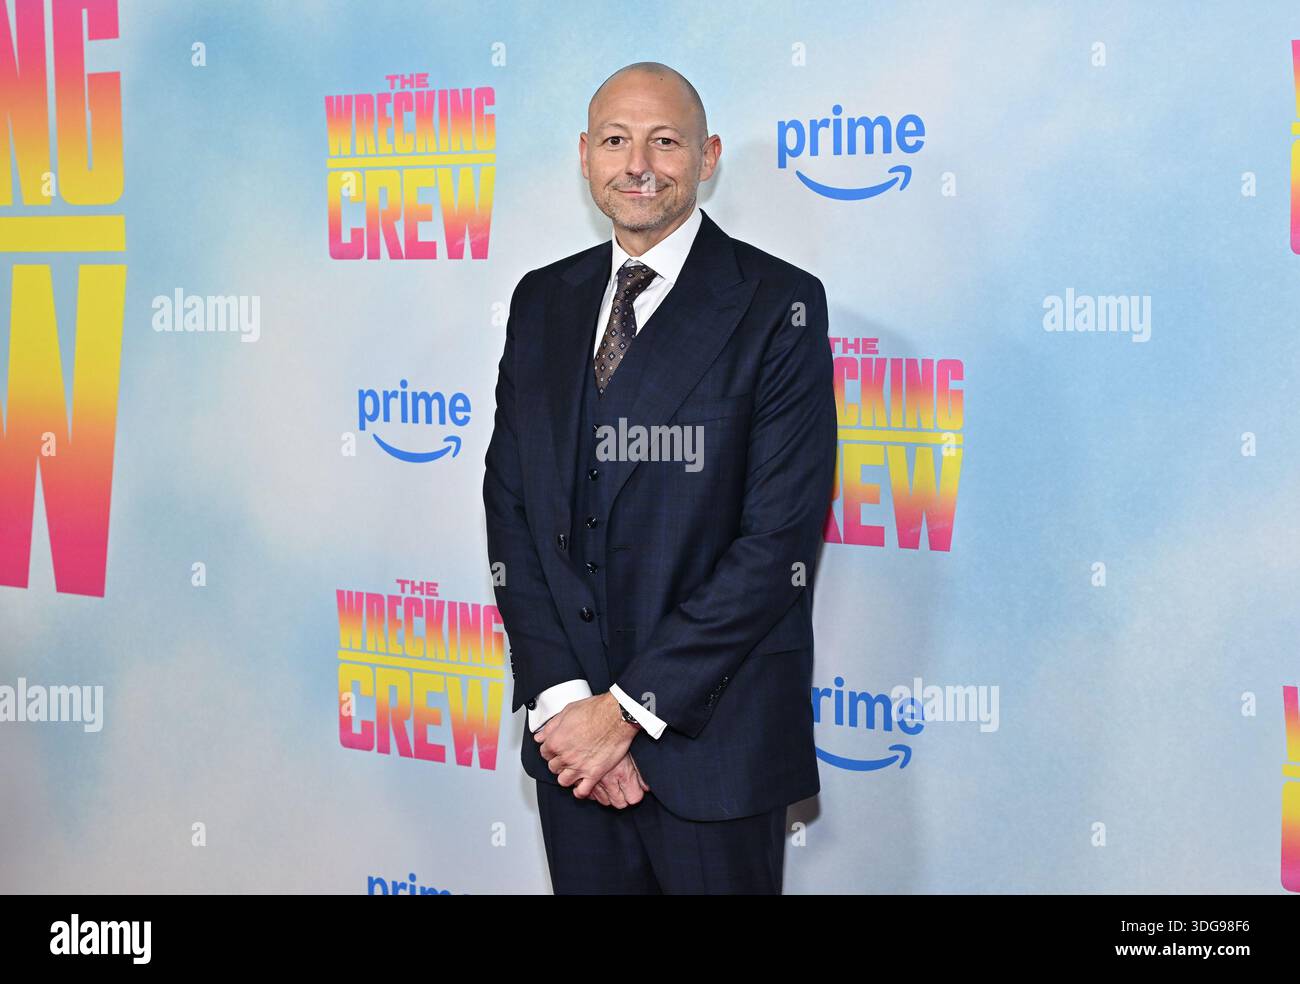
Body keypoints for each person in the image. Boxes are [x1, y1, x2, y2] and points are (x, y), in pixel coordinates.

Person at [482, 61, 837, 894]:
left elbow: (773, 546)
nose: (638, 163)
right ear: (584, 155)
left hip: (713, 753)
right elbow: (512, 508)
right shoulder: (542, 301)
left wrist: (624, 716)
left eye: (665, 140)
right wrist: (569, 705)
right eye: (616, 140)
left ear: (708, 156)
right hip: (571, 749)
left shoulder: (778, 305)